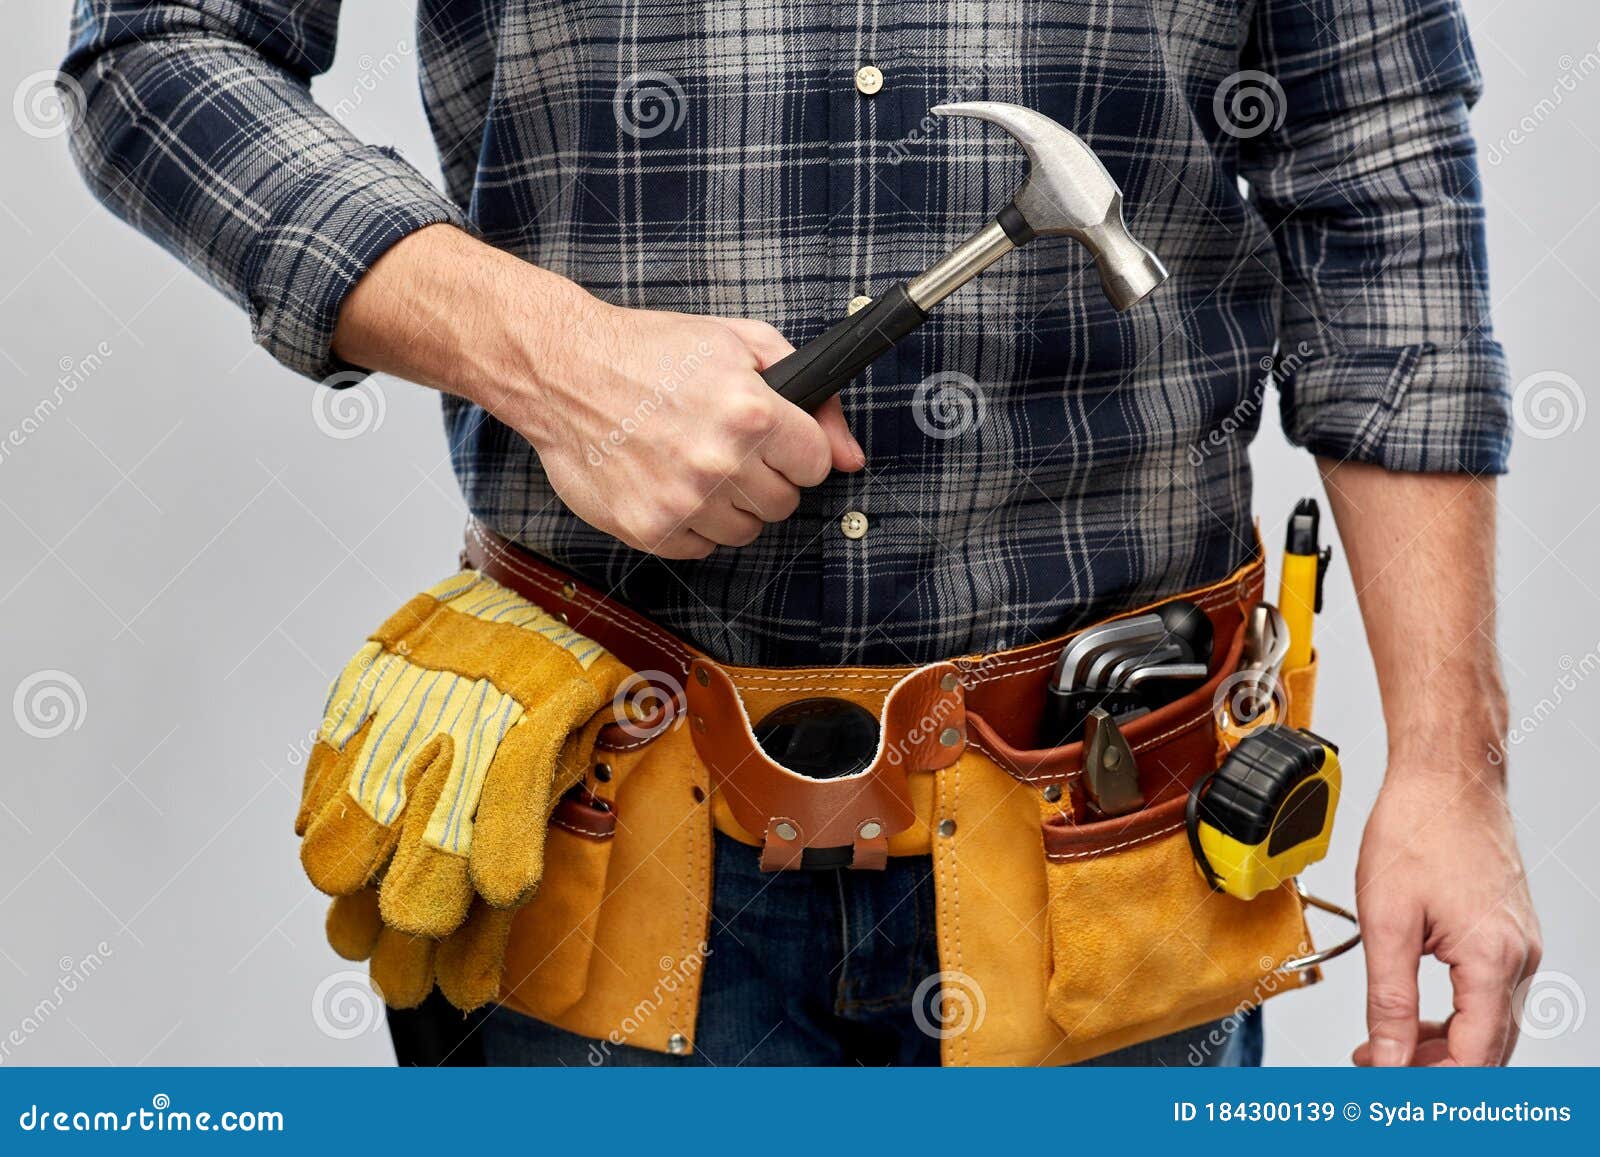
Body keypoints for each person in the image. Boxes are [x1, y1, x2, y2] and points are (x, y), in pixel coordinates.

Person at [62, 0, 1539, 1067]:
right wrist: (551, 356)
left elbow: (1380, 166)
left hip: (1107, 832)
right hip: (594, 824)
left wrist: (1451, 766)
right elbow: (154, 51)